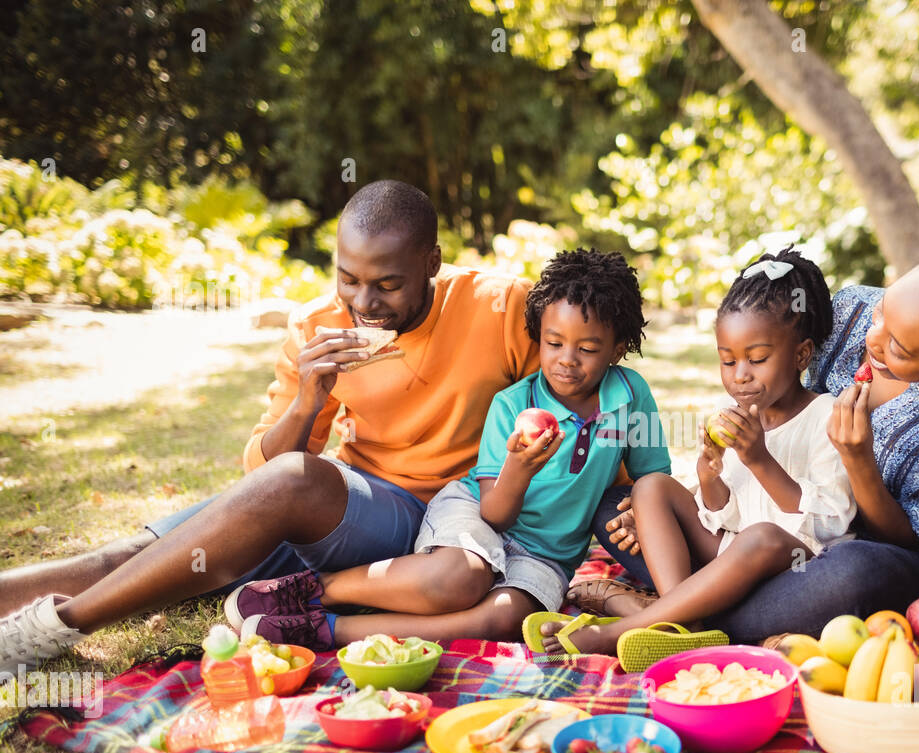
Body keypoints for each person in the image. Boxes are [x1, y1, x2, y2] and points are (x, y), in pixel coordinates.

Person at [0, 180, 541, 672]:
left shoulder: (500, 307)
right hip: (343, 514)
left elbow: (563, 411)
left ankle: (61, 627)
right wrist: (308, 400)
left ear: (432, 263)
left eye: (388, 285)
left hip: (444, 522)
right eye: (348, 279)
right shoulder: (315, 325)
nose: (364, 304)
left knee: (293, 482)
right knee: (138, 556)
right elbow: (259, 470)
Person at [578, 206, 919, 644]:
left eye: (901, 350)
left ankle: (665, 612)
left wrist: (859, 461)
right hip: (754, 529)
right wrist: (693, 497)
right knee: (618, 505)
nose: (873, 340)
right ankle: (693, 611)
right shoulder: (847, 313)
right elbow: (773, 411)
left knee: (852, 573)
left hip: (850, 556)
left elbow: (910, 540)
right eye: (883, 313)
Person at [221, 249, 671, 648]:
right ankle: (322, 587)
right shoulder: (514, 405)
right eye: (553, 343)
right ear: (538, 338)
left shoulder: (632, 397)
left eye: (588, 348)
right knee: (457, 580)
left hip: (549, 553)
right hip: (477, 511)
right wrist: (518, 467)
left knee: (506, 619)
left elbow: (653, 476)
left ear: (618, 349)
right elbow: (495, 513)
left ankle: (326, 630)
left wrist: (634, 508)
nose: (566, 359)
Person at [542, 248, 854, 655]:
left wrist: (760, 460)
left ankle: (626, 628)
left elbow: (828, 521)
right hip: (729, 554)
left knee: (761, 538)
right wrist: (710, 480)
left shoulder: (825, 416)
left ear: (801, 355)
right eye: (728, 361)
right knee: (650, 487)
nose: (740, 375)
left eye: (757, 359)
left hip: (796, 563)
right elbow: (727, 516)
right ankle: (681, 621)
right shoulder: (738, 418)